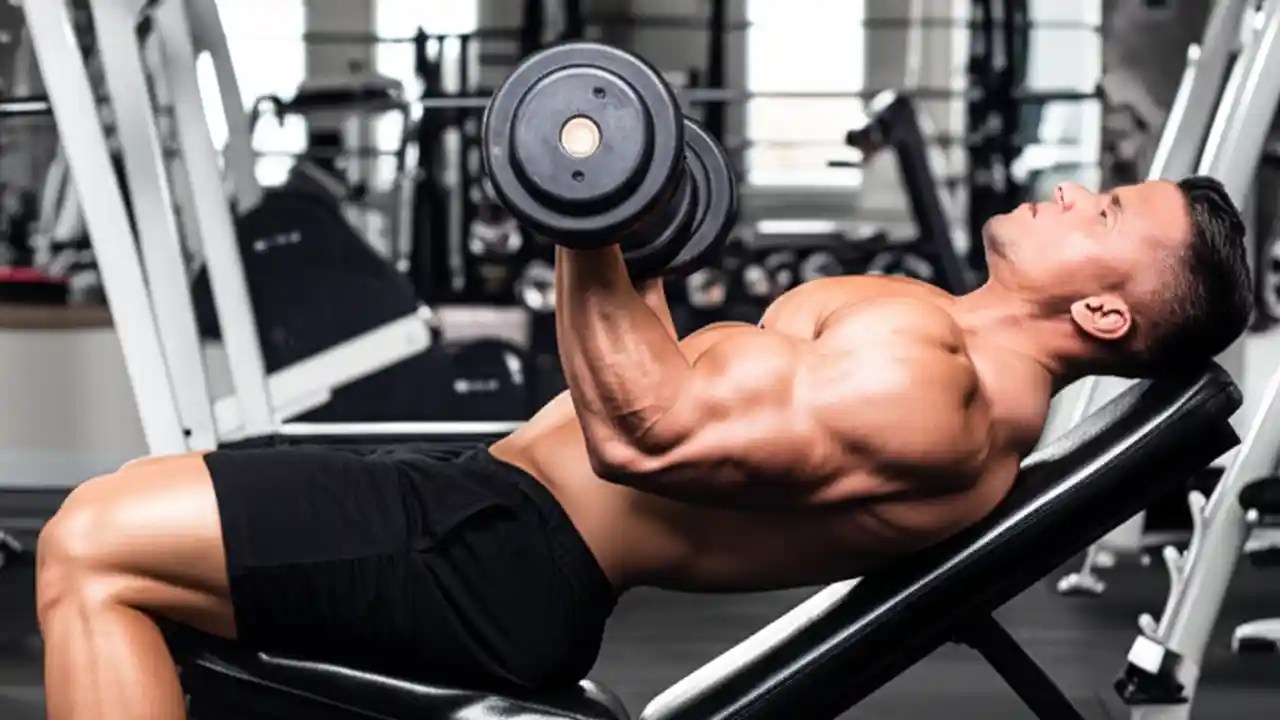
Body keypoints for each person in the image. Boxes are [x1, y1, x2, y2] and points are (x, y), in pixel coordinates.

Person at [36, 177, 1252, 719]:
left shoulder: (938, 392)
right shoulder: (931, 337)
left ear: (1104, 314)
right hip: (482, 508)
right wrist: (628, 236)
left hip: (501, 557)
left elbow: (647, 435)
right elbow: (668, 381)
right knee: (129, 519)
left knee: (93, 549)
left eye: (1105, 212)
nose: (1072, 192)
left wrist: (587, 210)